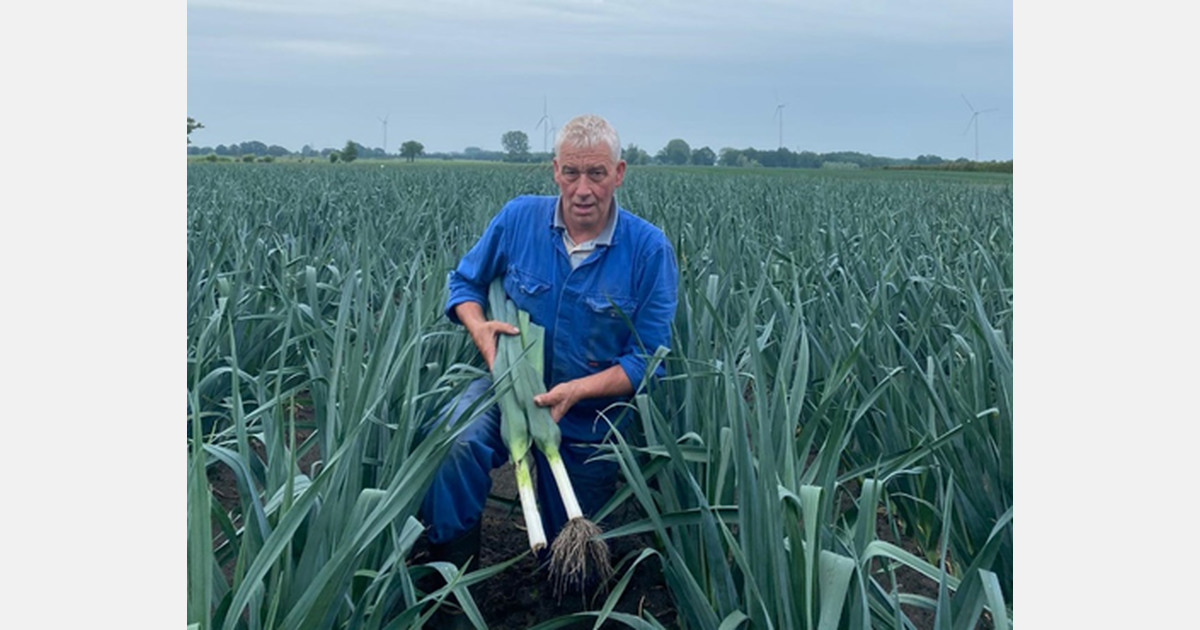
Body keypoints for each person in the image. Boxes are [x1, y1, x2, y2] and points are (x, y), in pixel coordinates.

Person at [418, 114, 679, 583]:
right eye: (572, 173)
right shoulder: (519, 219)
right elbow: (464, 284)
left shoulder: (648, 250)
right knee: (455, 441)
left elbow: (649, 362)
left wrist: (577, 390)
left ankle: (564, 595)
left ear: (619, 174)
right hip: (506, 388)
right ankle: (450, 584)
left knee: (574, 564)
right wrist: (479, 328)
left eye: (597, 174)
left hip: (589, 414)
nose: (583, 189)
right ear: (556, 170)